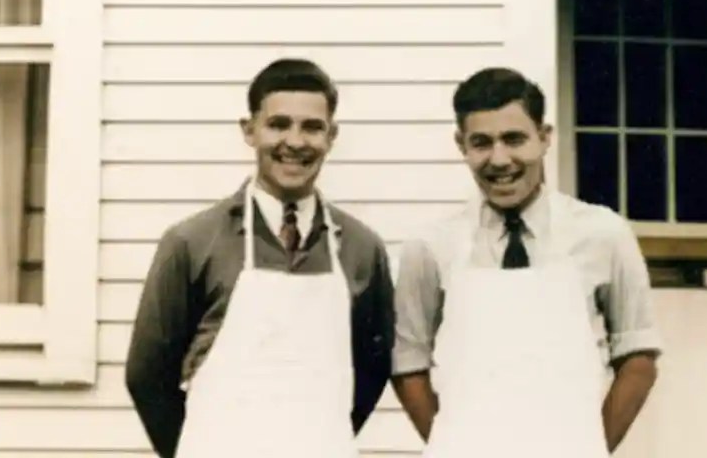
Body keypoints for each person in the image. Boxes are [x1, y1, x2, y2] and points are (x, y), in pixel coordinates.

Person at [125, 58, 395, 458]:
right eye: (278, 124)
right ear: (249, 131)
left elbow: (372, 371)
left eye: (312, 127)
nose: (296, 142)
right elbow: (147, 377)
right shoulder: (192, 241)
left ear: (332, 135)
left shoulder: (361, 248)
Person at [391, 67, 662, 458]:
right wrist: (449, 444)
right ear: (461, 145)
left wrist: (592, 447)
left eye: (514, 139)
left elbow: (638, 356)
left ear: (544, 138)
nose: (499, 159)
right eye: (481, 143)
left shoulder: (603, 233)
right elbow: (408, 362)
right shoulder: (432, 246)